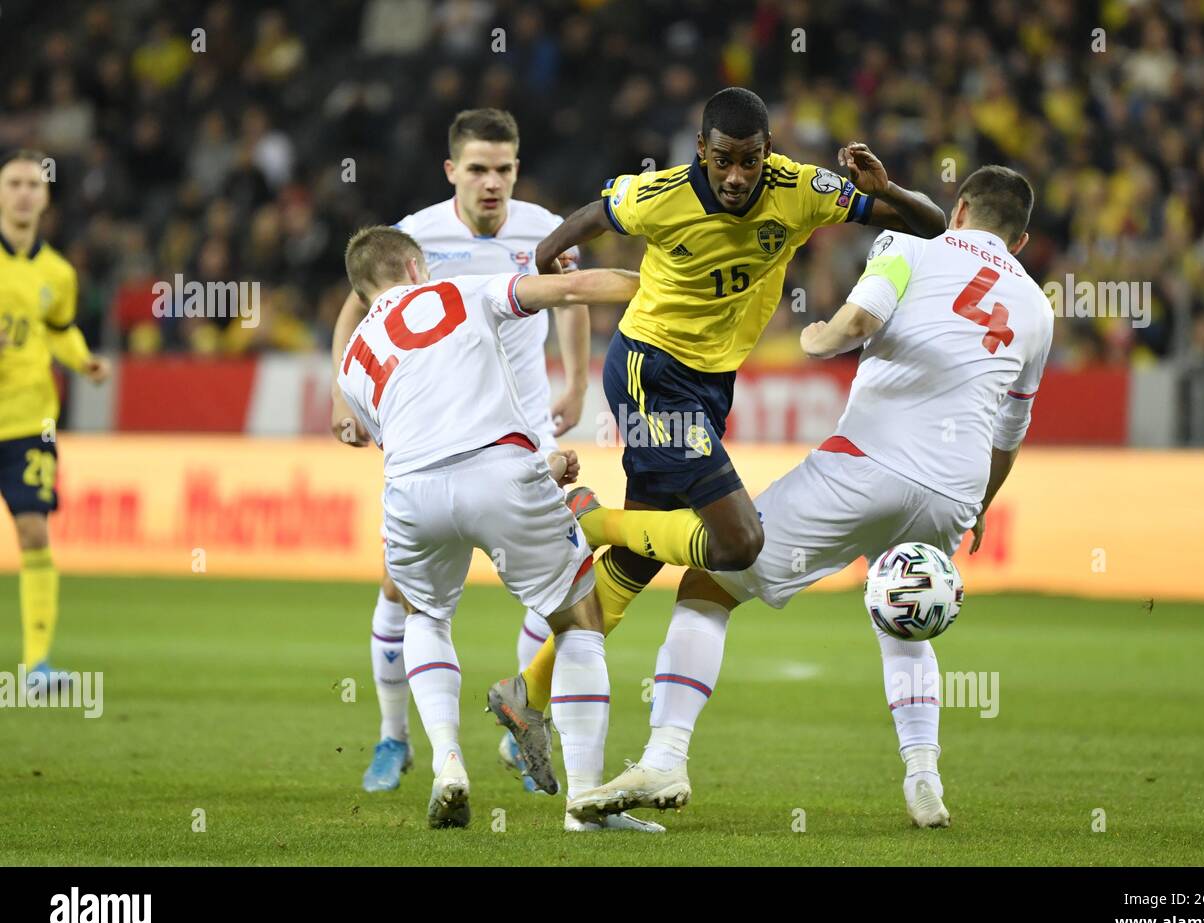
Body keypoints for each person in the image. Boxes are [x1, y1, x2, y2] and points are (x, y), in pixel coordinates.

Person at [567, 165, 1052, 830]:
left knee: (711, 581)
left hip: (870, 461)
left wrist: (814, 337)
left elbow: (856, 320)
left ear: (959, 208)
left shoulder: (910, 247)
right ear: (1020, 241)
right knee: (901, 612)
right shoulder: (1038, 307)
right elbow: (1011, 428)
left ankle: (664, 754)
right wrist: (982, 505)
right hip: (955, 486)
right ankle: (923, 777)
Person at [489, 87, 948, 783]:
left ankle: (527, 693)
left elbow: (935, 225)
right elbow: (597, 213)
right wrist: (542, 260)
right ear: (702, 152)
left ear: (768, 153)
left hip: (709, 382)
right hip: (650, 370)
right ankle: (591, 515)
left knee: (645, 553)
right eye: (724, 161)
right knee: (738, 540)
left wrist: (889, 189)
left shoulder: (800, 189)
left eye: (751, 161)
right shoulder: (664, 194)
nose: (737, 177)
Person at [335, 225, 660, 832]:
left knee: (425, 618)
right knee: (577, 618)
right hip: (499, 473)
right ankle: (586, 804)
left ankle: (448, 765)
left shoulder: (353, 362)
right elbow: (577, 288)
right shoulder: (462, 289)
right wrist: (667, 290)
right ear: (413, 269)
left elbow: (428, 441)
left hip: (411, 493)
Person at [328, 109, 591, 793]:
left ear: (517, 170)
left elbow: (570, 296)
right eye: (477, 168)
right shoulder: (415, 234)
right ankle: (393, 737)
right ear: (452, 171)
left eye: (504, 168)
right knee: (400, 587)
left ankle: (524, 725)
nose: (492, 182)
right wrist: (341, 394)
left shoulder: (542, 226)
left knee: (553, 594)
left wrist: (577, 382)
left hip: (524, 429)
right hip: (440, 432)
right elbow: (357, 308)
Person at [0, 150, 112, 689]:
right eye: (13, 182)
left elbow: (58, 328)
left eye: (32, 185)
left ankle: (36, 666)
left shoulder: (58, 273)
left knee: (33, 531)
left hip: (27, 420)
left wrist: (82, 360)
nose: (23, 192)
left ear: (44, 198)